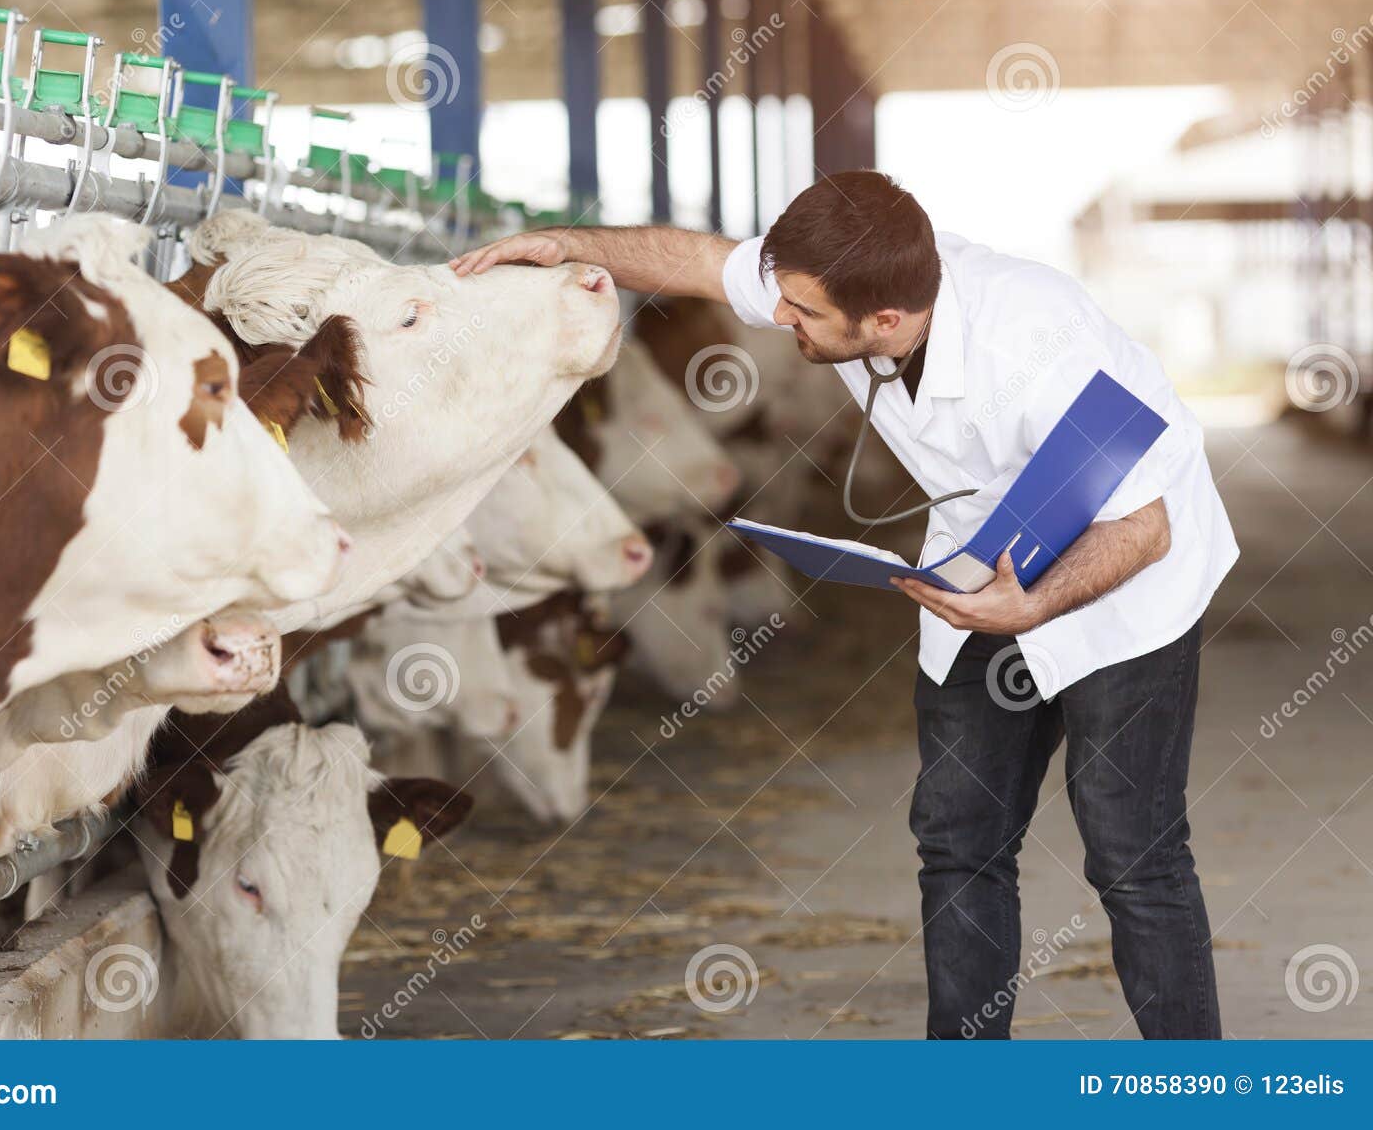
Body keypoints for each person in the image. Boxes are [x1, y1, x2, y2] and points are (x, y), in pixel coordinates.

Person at [451, 170, 1237, 1039]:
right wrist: (569, 246)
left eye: (802, 313)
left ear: (886, 322)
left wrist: (1038, 605)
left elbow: (1145, 524)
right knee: (957, 834)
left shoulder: (1037, 339)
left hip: (1122, 583)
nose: (779, 319)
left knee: (1131, 850)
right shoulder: (840, 279)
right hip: (982, 561)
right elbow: (695, 260)